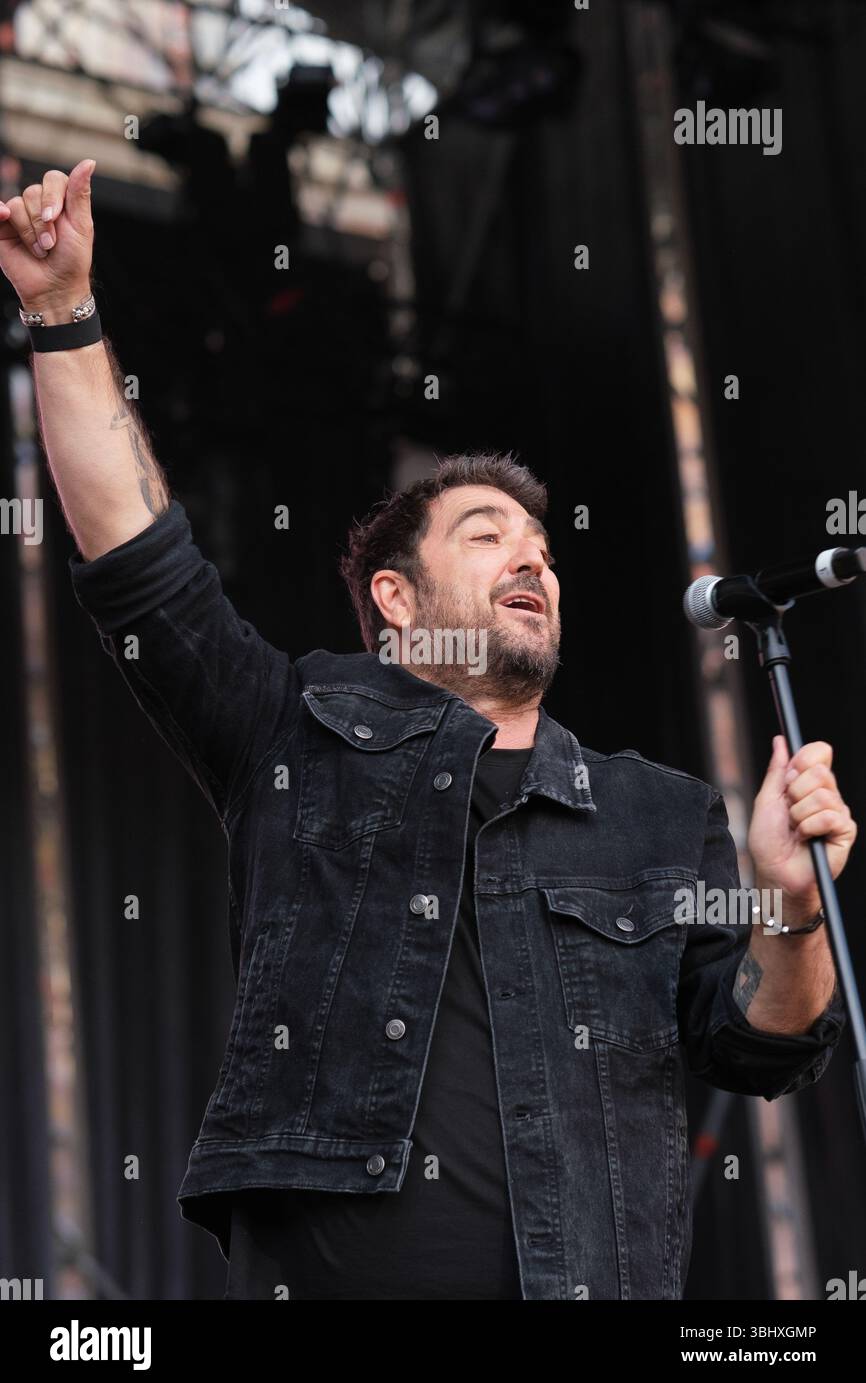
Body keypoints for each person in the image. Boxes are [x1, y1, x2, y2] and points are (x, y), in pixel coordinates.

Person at [0, 161, 854, 1301]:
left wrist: (789, 906)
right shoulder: (291, 730)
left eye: (543, 548)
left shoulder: (660, 816)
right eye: (486, 534)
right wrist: (63, 312)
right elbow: (136, 557)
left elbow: (761, 1044)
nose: (532, 558)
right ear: (396, 599)